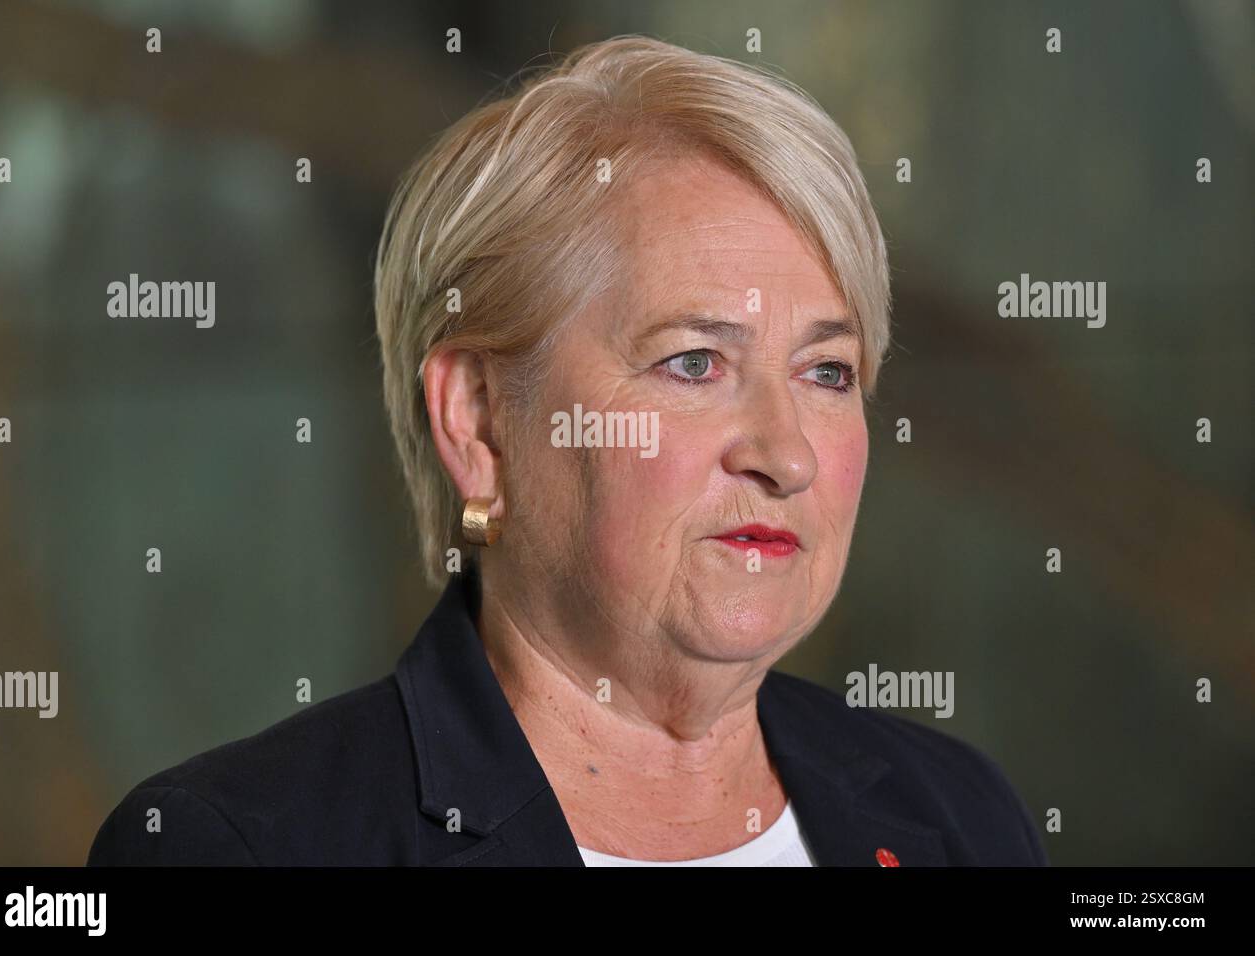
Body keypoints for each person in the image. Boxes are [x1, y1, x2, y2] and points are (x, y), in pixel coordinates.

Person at [88, 34, 1046, 867]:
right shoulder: (245, 848)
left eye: (828, 372)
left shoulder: (957, 816)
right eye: (695, 361)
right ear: (478, 420)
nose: (786, 455)